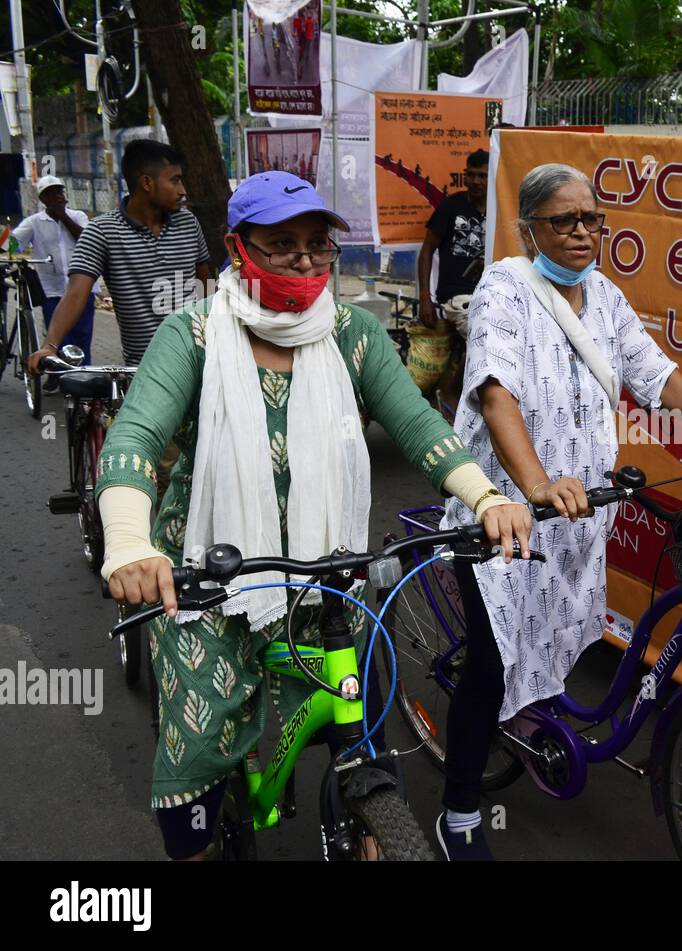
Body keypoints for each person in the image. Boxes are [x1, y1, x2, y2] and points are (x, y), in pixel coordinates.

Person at [92, 171, 532, 860]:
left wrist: (486, 496)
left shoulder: (352, 333)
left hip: (327, 564)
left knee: (361, 718)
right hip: (208, 578)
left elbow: (419, 425)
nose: (305, 260)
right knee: (200, 751)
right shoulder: (195, 333)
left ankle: (371, 820)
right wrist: (126, 542)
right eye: (282, 244)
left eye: (318, 244)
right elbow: (134, 440)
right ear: (239, 249)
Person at [437, 162, 682, 860]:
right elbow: (494, 391)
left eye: (591, 219)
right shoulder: (504, 287)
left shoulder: (605, 296)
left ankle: (534, 716)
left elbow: (654, 375)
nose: (581, 232)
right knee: (490, 666)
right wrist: (532, 483)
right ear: (530, 225)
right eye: (564, 220)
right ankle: (459, 812)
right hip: (504, 515)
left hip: (580, 513)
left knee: (558, 637)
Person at [29, 140, 213, 370]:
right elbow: (75, 293)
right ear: (147, 182)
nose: (182, 190)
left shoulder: (188, 223)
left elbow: (206, 287)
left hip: (199, 362)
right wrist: (50, 345)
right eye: (174, 180)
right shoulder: (102, 231)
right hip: (145, 370)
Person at [417, 150, 489, 412]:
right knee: (482, 334)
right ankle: (450, 391)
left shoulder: (498, 209)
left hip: (488, 295)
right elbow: (426, 251)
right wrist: (425, 297)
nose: (476, 181)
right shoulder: (451, 207)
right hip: (455, 297)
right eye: (471, 175)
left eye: (482, 176)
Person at [11, 176, 94, 390]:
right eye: (51, 193)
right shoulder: (34, 222)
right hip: (52, 289)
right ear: (43, 198)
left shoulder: (78, 216)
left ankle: (82, 377)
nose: (57, 196)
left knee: (82, 335)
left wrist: (63, 217)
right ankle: (58, 374)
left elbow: (88, 240)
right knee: (57, 333)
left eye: (60, 192)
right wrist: (5, 246)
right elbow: (13, 243)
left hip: (82, 288)